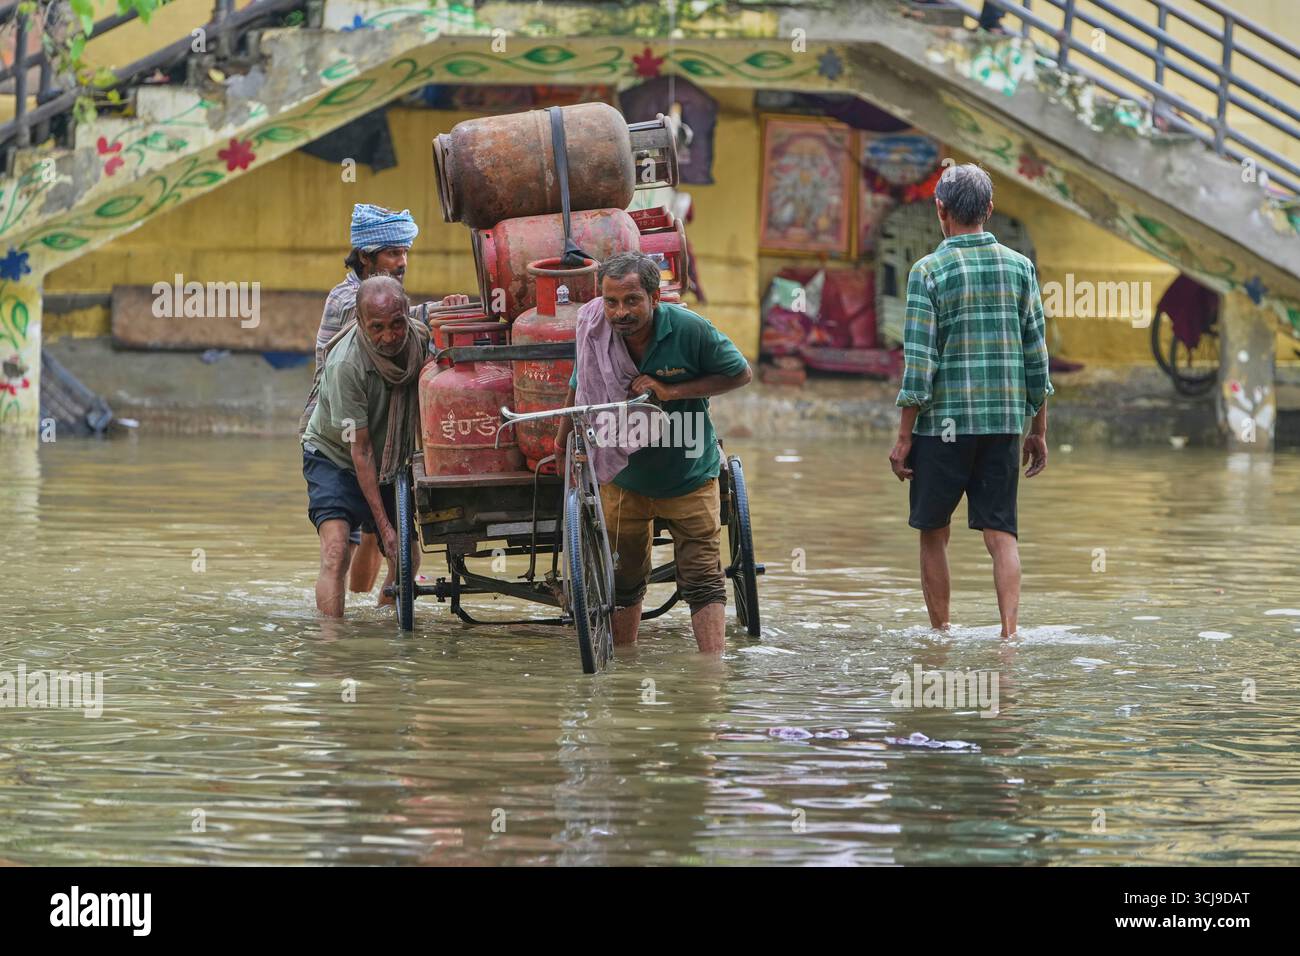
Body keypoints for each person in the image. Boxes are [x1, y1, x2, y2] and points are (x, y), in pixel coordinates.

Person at [555, 251, 751, 654]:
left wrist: (672, 391)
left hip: (688, 470)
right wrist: (560, 444)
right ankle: (625, 665)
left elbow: (740, 373)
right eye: (611, 302)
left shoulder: (689, 329)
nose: (620, 312)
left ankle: (710, 675)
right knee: (623, 579)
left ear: (654, 298)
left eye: (631, 301)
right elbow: (580, 386)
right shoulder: (594, 330)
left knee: (702, 577)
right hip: (623, 474)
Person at [888, 163, 1052, 638]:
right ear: (990, 210)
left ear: (941, 210)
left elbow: (918, 365)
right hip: (1003, 425)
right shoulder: (1021, 269)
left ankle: (940, 636)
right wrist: (1038, 430)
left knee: (933, 534)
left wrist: (903, 439)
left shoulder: (928, 272)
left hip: (942, 426)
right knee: (1002, 536)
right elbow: (1037, 361)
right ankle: (1009, 635)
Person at [300, 203, 469, 598]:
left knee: (380, 537)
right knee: (345, 544)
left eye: (405, 252)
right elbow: (391, 327)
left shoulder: (390, 307)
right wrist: (438, 310)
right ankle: (346, 623)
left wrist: (441, 313)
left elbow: (406, 325)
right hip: (339, 430)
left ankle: (369, 614)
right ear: (365, 256)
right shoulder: (349, 302)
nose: (402, 261)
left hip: (382, 430)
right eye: (393, 252)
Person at [301, 276, 430, 617]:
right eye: (377, 328)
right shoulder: (347, 365)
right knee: (336, 551)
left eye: (397, 324)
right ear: (360, 323)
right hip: (335, 456)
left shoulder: (421, 340)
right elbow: (361, 451)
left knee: (407, 556)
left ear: (407, 314)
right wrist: (383, 526)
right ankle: (333, 647)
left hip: (389, 457)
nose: (389, 337)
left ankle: (384, 627)